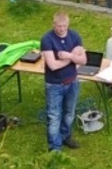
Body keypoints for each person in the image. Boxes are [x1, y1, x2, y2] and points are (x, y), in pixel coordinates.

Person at [38, 10, 88, 152]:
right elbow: (52, 66)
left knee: (69, 113)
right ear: (54, 24)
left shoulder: (75, 36)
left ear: (68, 24)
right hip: (54, 85)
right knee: (54, 116)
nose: (61, 29)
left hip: (72, 82)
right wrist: (72, 57)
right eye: (59, 26)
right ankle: (55, 147)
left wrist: (67, 56)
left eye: (64, 26)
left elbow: (83, 60)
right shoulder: (47, 39)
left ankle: (65, 136)